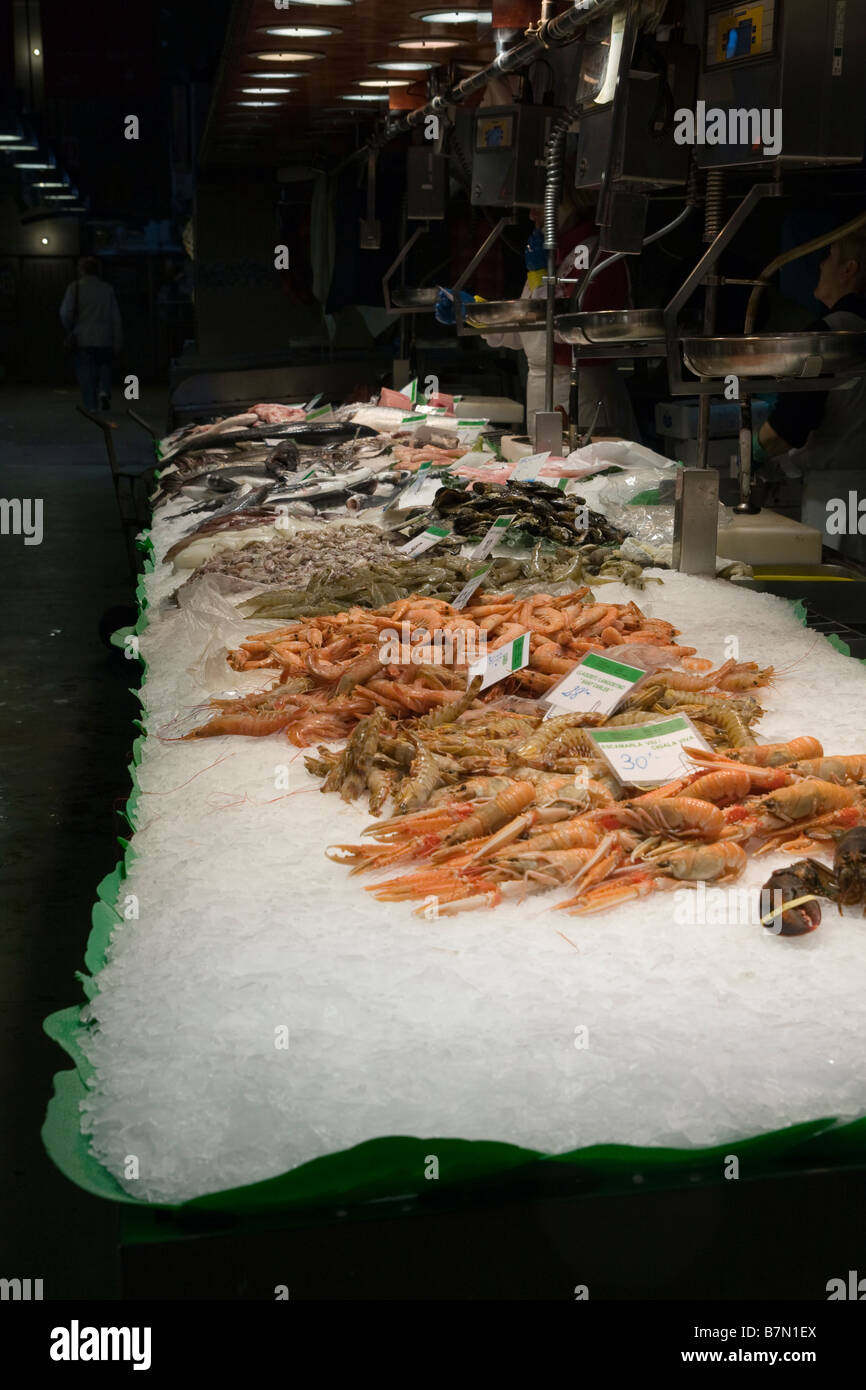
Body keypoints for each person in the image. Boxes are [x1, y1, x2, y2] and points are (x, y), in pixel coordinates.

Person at [435, 186, 639, 440]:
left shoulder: (597, 254)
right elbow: (523, 334)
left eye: (540, 205)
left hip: (584, 394)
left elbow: (569, 333)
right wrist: (473, 312)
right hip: (542, 389)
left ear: (571, 204)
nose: (532, 215)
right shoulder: (553, 257)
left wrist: (540, 278)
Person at [754, 231, 866, 478]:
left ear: (848, 270)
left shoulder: (829, 334)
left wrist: (753, 451)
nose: (821, 264)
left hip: (839, 495)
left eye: (829, 256)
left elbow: (786, 430)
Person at [59, 256, 122, 412]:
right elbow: (115, 316)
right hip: (104, 336)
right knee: (104, 366)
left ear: (82, 270)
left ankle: (91, 405)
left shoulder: (75, 288)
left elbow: (65, 312)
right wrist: (118, 338)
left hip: (82, 336)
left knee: (85, 372)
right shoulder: (107, 288)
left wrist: (69, 329)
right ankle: (103, 391)